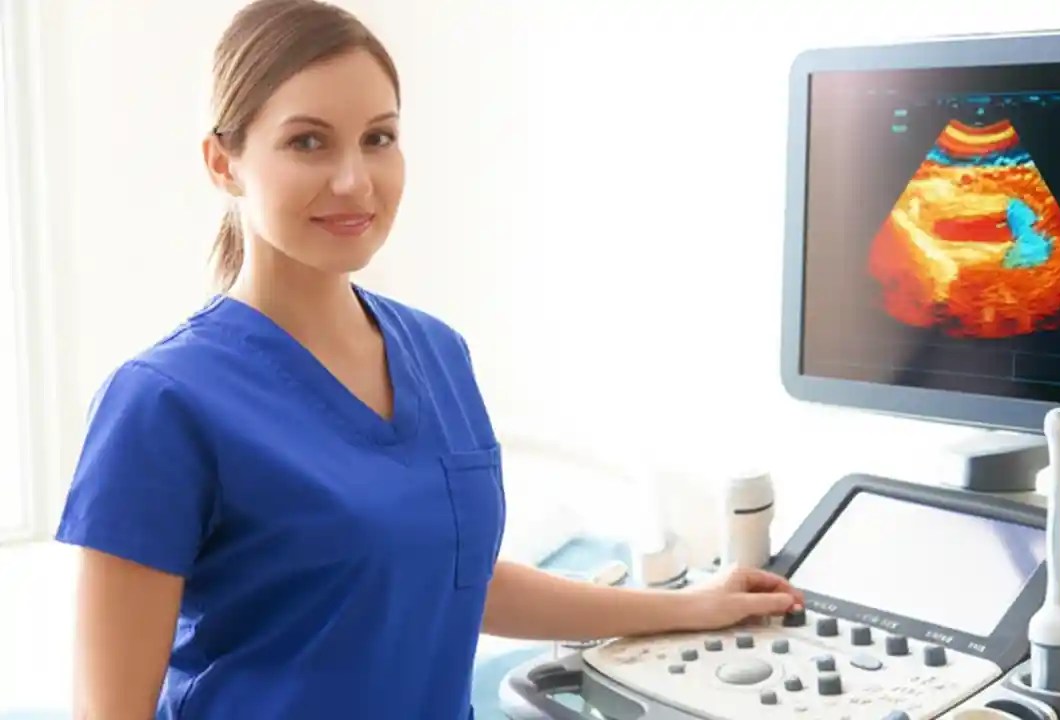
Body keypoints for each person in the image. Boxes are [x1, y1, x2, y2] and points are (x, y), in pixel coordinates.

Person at [53, 1, 805, 718]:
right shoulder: (162, 403)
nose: (355, 181)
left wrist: (689, 608)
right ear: (224, 163)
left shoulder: (438, 355)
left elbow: (457, 586)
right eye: (307, 141)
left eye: (378, 137)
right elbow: (107, 710)